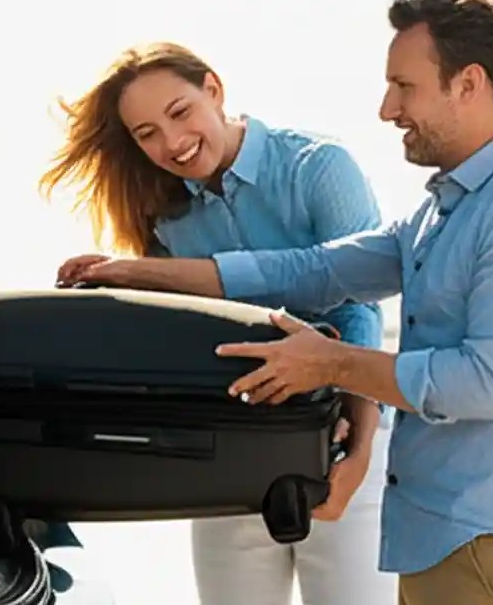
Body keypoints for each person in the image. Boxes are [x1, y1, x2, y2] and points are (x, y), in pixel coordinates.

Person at [57, 0, 493, 604]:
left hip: (490, 538)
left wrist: (332, 370)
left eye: (403, 86)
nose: (387, 108)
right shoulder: (436, 215)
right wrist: (136, 274)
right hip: (434, 534)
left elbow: (483, 385)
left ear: (467, 84)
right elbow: (309, 271)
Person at [42, 41, 396, 605]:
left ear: (213, 89)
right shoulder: (162, 213)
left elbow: (356, 304)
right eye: (146, 133)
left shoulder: (318, 167)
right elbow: (180, 333)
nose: (172, 143)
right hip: (229, 456)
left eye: (180, 113)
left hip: (338, 441)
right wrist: (120, 282)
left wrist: (361, 444)